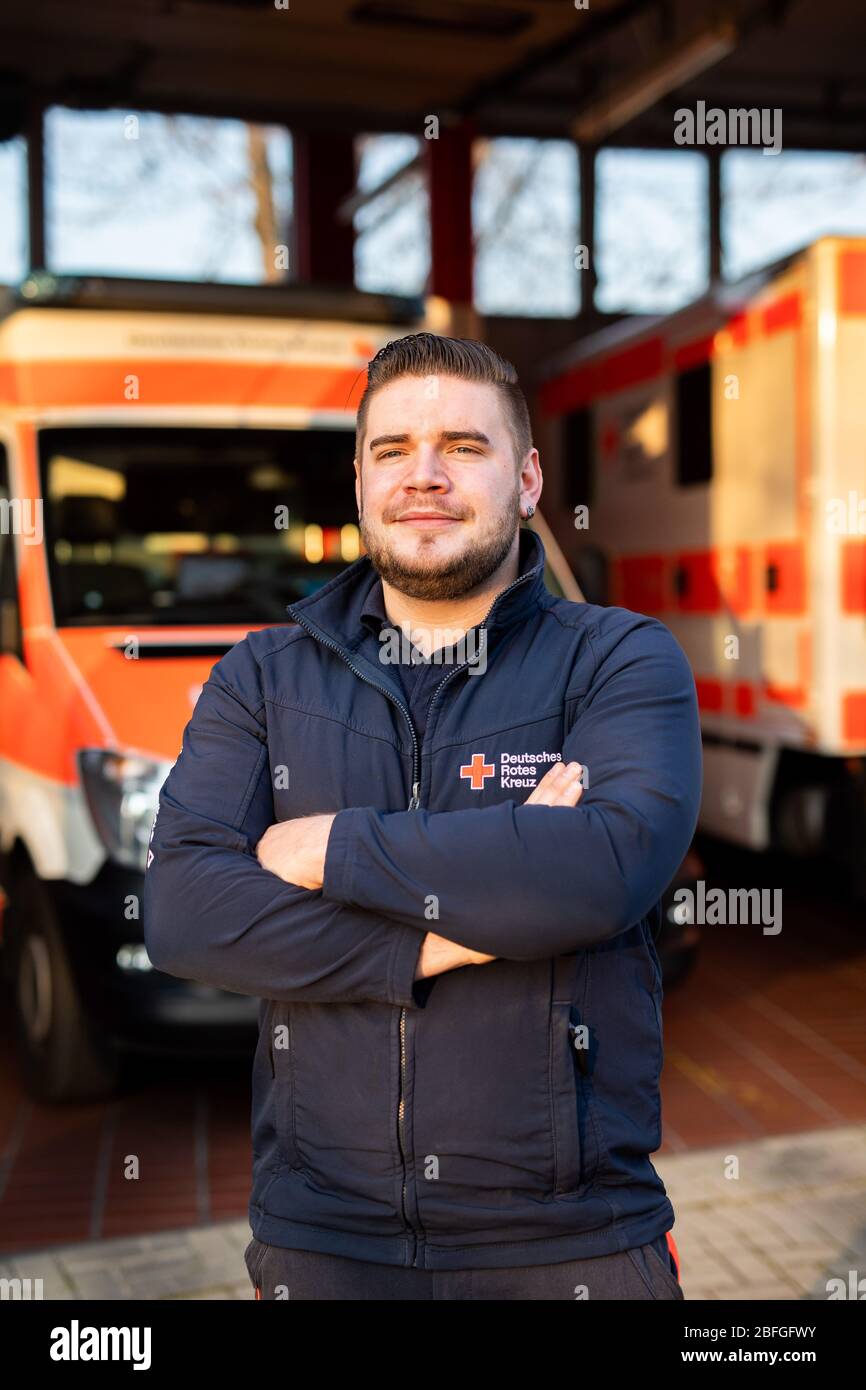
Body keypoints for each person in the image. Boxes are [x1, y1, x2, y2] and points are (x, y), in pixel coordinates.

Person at [143, 332, 702, 1300]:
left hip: (570, 1239)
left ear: (526, 479)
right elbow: (186, 913)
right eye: (392, 450)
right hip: (322, 1237)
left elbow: (604, 868)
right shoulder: (261, 677)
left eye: (464, 446)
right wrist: (447, 935)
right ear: (357, 481)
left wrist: (328, 845)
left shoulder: (618, 659)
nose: (425, 476)